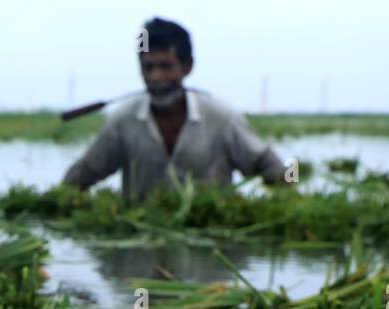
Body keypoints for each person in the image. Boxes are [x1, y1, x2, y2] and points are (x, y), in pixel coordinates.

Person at [62, 17, 289, 201]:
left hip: (210, 245)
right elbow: (85, 172)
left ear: (187, 67)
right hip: (141, 240)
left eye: (165, 66)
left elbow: (268, 165)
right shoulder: (122, 120)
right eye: (148, 67)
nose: (156, 77)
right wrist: (56, 201)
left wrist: (296, 185)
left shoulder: (222, 118)